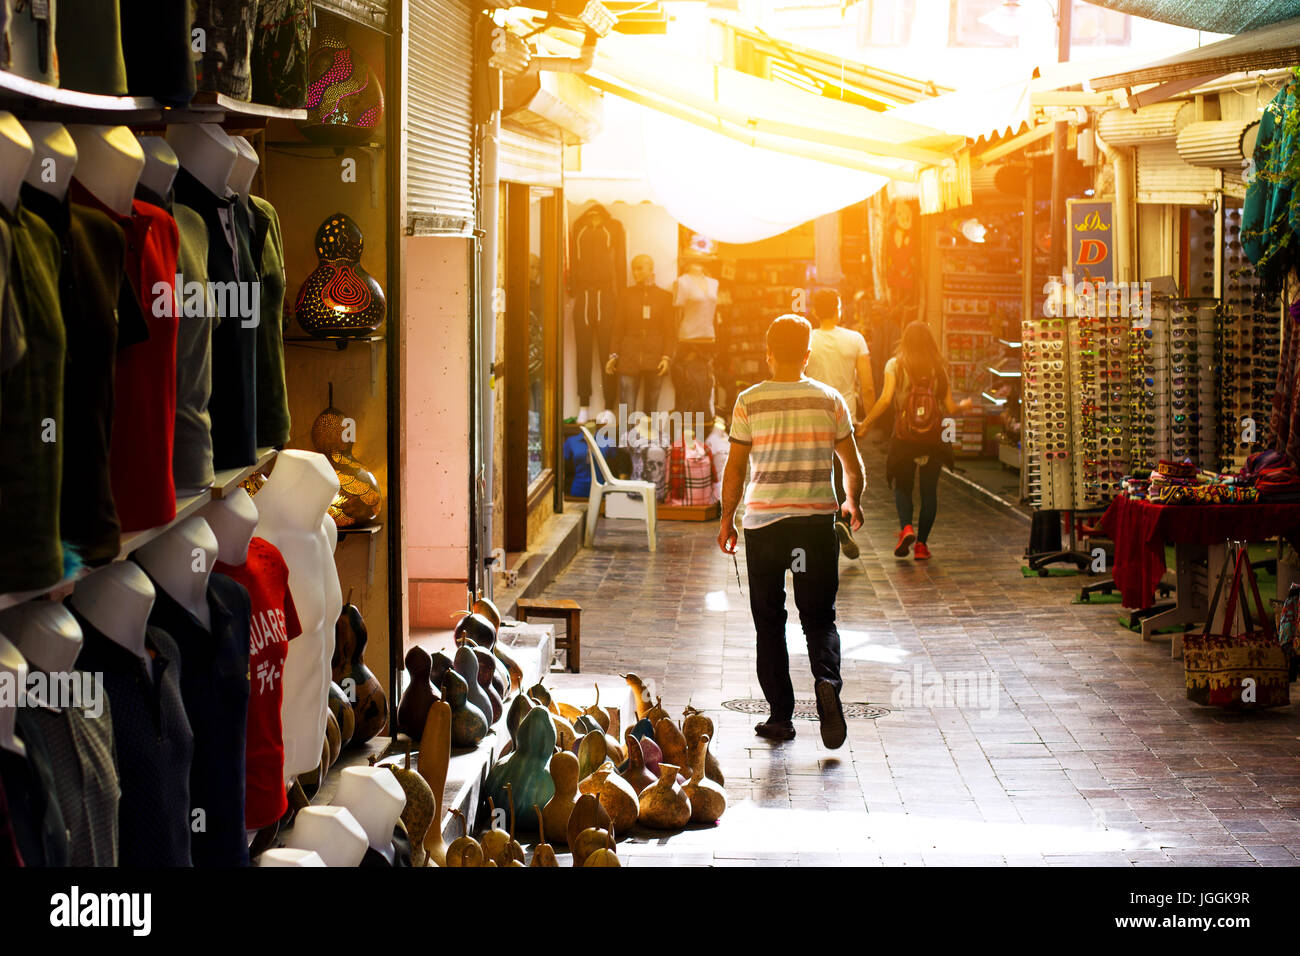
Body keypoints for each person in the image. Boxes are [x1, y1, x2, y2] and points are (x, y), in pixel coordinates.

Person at [717, 314, 864, 749]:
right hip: (814, 527)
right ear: (807, 354)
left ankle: (780, 716)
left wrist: (727, 517)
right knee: (819, 619)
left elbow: (736, 468)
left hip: (765, 528)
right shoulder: (830, 399)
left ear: (767, 354)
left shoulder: (749, 401)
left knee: (770, 622)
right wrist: (851, 501)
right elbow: (851, 465)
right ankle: (826, 683)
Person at [857, 320, 970, 560]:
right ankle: (922, 545)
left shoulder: (895, 365)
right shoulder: (939, 366)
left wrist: (866, 423)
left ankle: (906, 528)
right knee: (929, 492)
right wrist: (964, 406)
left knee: (903, 486)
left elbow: (886, 400)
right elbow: (950, 406)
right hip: (933, 438)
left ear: (904, 340)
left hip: (905, 436)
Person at [804, 288, 872, 559]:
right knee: (848, 468)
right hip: (846, 416)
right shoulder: (855, 339)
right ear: (839, 308)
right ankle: (841, 520)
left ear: (815, 311)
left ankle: (826, 524)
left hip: (814, 416)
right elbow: (867, 386)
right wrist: (869, 418)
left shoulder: (807, 338)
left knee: (821, 472)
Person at [605, 254, 674, 425]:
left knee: (651, 411)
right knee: (626, 411)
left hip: (655, 357)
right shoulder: (626, 294)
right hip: (628, 357)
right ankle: (626, 448)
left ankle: (647, 448)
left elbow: (671, 332)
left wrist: (666, 357)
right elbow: (617, 328)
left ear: (651, 268)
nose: (635, 272)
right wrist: (613, 355)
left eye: (639, 268)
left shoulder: (665, 297)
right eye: (633, 269)